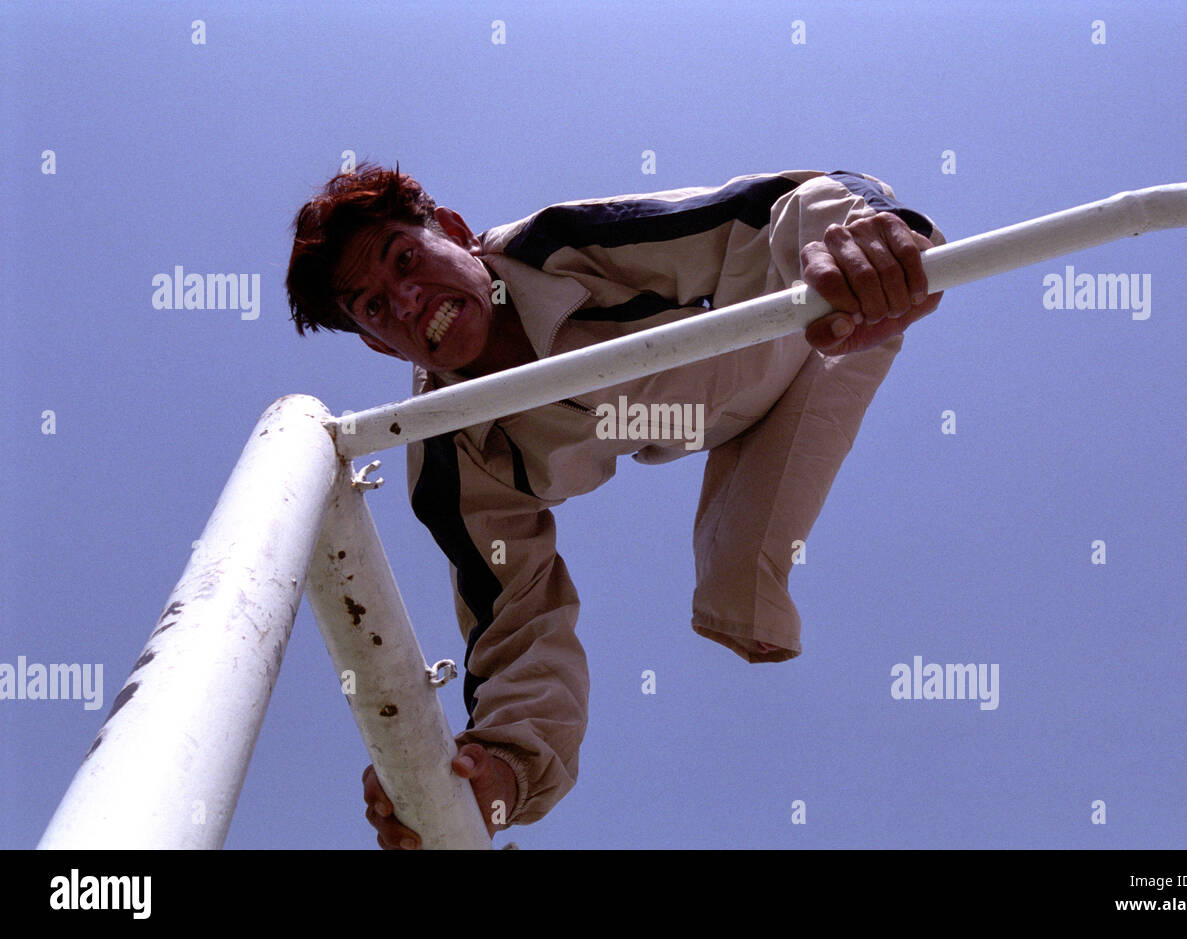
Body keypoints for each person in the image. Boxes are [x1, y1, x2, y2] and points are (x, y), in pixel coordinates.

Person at [285, 164, 945, 848]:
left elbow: (763, 212)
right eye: (374, 307)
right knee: (739, 595)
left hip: (816, 329)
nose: (409, 299)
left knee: (742, 584)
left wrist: (854, 239)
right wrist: (500, 775)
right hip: (719, 426)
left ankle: (873, 258)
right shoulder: (453, 453)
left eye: (407, 258)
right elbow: (517, 616)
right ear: (372, 341)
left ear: (454, 230)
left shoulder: (568, 247)